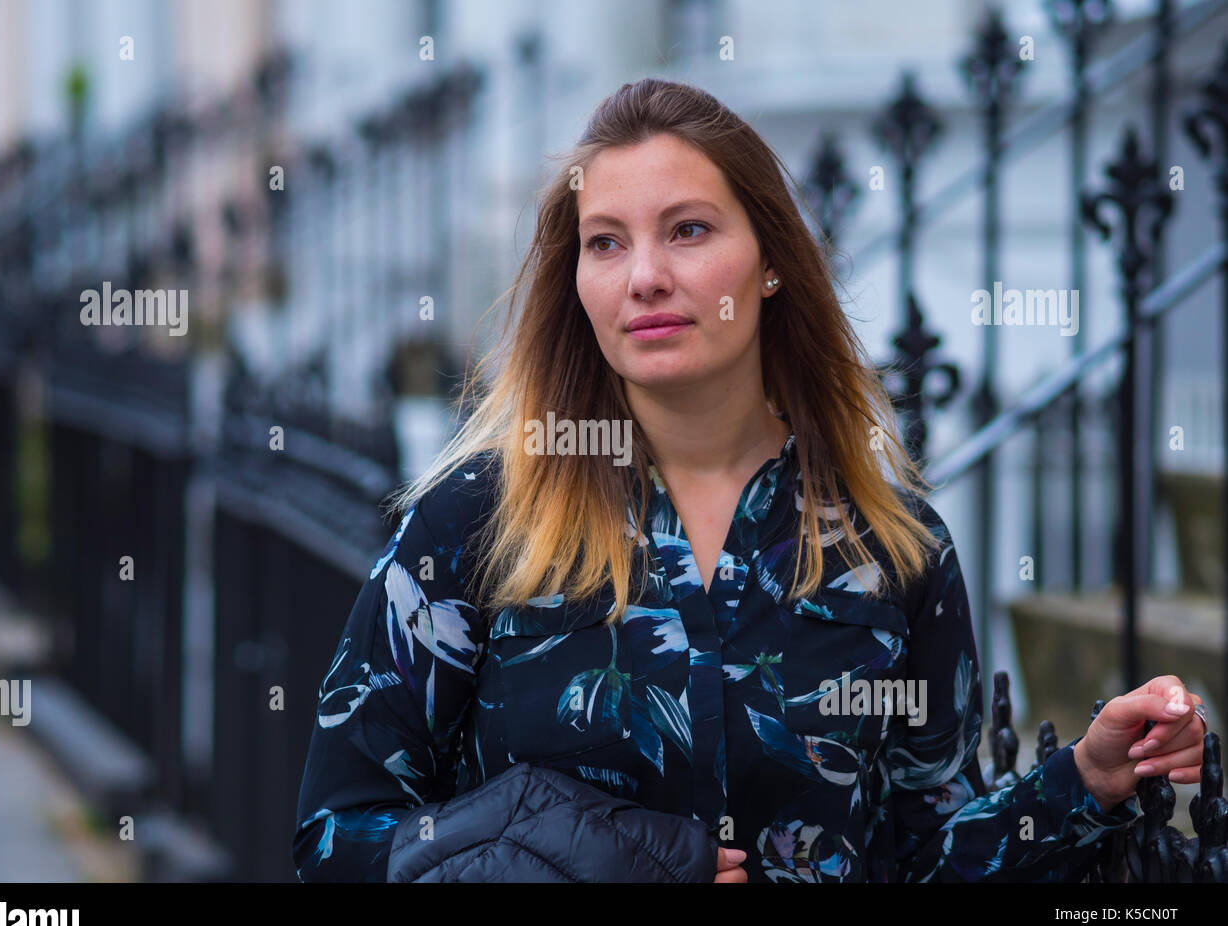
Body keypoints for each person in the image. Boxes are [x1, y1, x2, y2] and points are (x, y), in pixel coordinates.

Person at [292, 77, 1208, 883]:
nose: (644, 277)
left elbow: (924, 852)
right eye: (605, 243)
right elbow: (339, 835)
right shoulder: (476, 524)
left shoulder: (889, 550)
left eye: (686, 231)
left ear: (770, 262)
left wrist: (1082, 781)